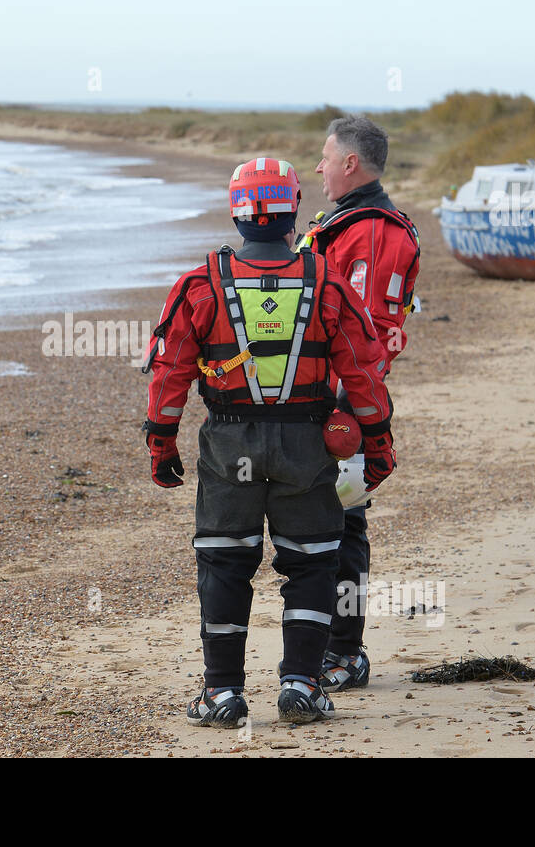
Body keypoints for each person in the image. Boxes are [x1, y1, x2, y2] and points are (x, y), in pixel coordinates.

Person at [141, 156, 397, 727]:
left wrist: (162, 444)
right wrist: (377, 444)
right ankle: (302, 685)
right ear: (294, 211)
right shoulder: (326, 281)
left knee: (225, 565)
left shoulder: (199, 285)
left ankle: (222, 694)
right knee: (310, 565)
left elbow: (169, 372)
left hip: (228, 445)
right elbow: (363, 373)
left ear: (237, 215)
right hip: (308, 443)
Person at [304, 115, 420, 695]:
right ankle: (325, 648)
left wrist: (349, 415)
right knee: (319, 527)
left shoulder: (372, 232)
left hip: (340, 408)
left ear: (351, 163)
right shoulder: (347, 224)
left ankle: (345, 653)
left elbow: (365, 336)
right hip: (323, 399)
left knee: (343, 527)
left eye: (325, 158)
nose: (318, 167)